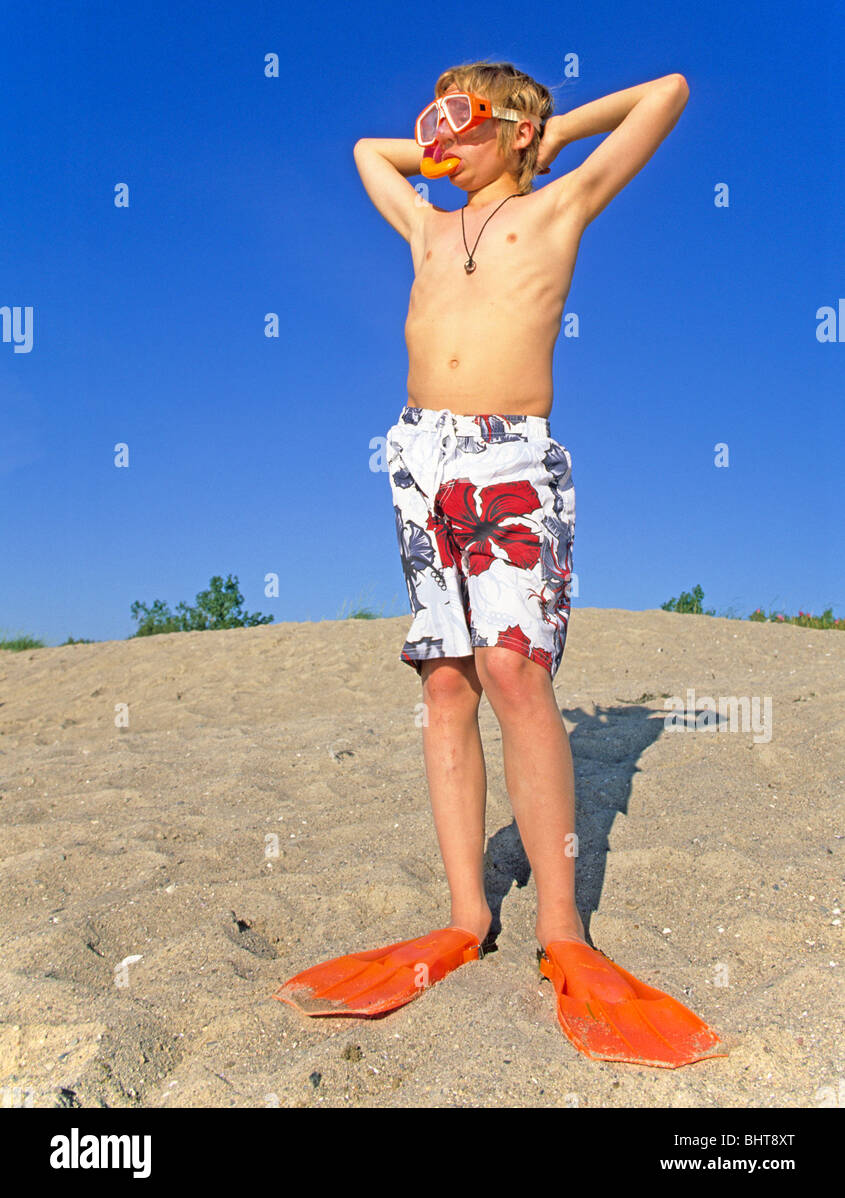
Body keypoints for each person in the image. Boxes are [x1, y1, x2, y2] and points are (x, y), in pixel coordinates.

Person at [274, 62, 723, 1067]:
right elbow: (364, 154)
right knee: (444, 681)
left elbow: (668, 92)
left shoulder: (561, 204)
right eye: (432, 118)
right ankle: (464, 917)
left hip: (508, 456)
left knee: (514, 671)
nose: (436, 135)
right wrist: (449, 135)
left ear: (519, 133)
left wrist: (547, 132)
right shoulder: (427, 225)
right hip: (417, 456)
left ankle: (561, 932)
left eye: (460, 117)